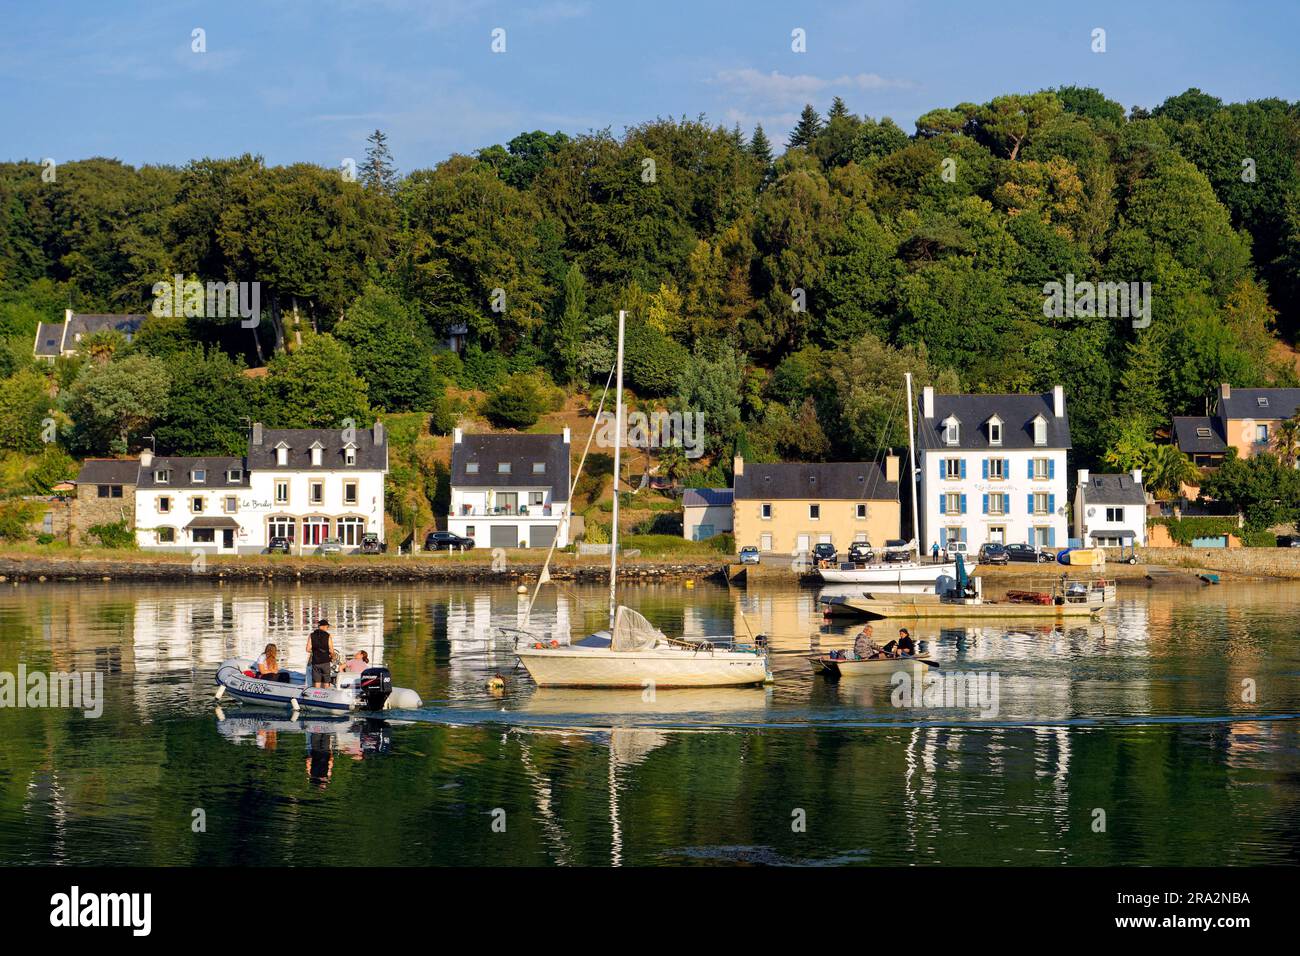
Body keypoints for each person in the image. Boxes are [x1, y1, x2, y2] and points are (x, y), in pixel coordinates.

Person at [307, 620, 336, 688]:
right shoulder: (328, 635)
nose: (327, 628)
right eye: (327, 626)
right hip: (325, 661)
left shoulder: (311, 635)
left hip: (315, 662)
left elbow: (307, 649)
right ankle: (326, 696)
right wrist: (333, 657)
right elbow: (331, 650)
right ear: (324, 626)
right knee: (326, 681)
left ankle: (316, 696)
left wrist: (315, 651)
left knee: (317, 681)